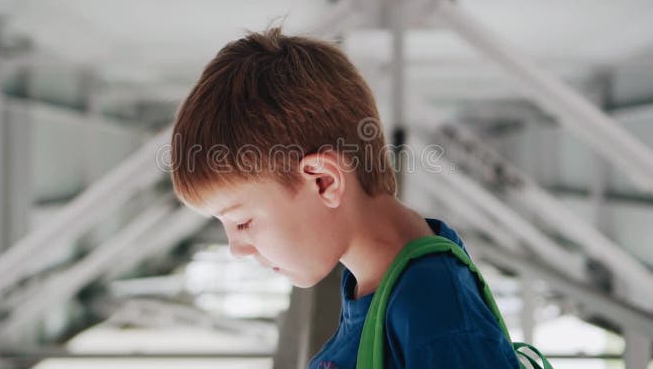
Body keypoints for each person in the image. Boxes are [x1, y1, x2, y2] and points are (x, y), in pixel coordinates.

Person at [168, 27, 520, 368]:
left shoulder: (433, 308)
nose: (236, 248)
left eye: (242, 221)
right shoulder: (377, 293)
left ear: (323, 181)